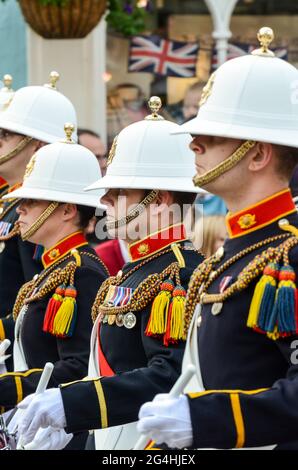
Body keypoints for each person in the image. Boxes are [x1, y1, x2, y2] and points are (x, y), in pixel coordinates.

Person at [136, 27, 298, 450]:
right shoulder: (230, 253)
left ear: (258, 154)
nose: (193, 144)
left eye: (212, 137)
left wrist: (206, 420)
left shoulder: (290, 255)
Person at [16, 96, 204, 451]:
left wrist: (72, 404)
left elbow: (168, 375)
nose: (104, 202)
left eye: (119, 193)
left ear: (161, 200)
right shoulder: (136, 270)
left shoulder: (179, 272)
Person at [0, 124, 109, 449]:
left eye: (31, 201)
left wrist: (10, 387)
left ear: (66, 209)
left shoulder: (81, 271)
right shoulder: (54, 269)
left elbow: (78, 365)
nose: (20, 209)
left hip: (63, 434)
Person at [0, 71, 77, 333]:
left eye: (6, 135)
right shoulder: (9, 203)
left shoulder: (43, 211)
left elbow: (37, 298)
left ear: (37, 147)